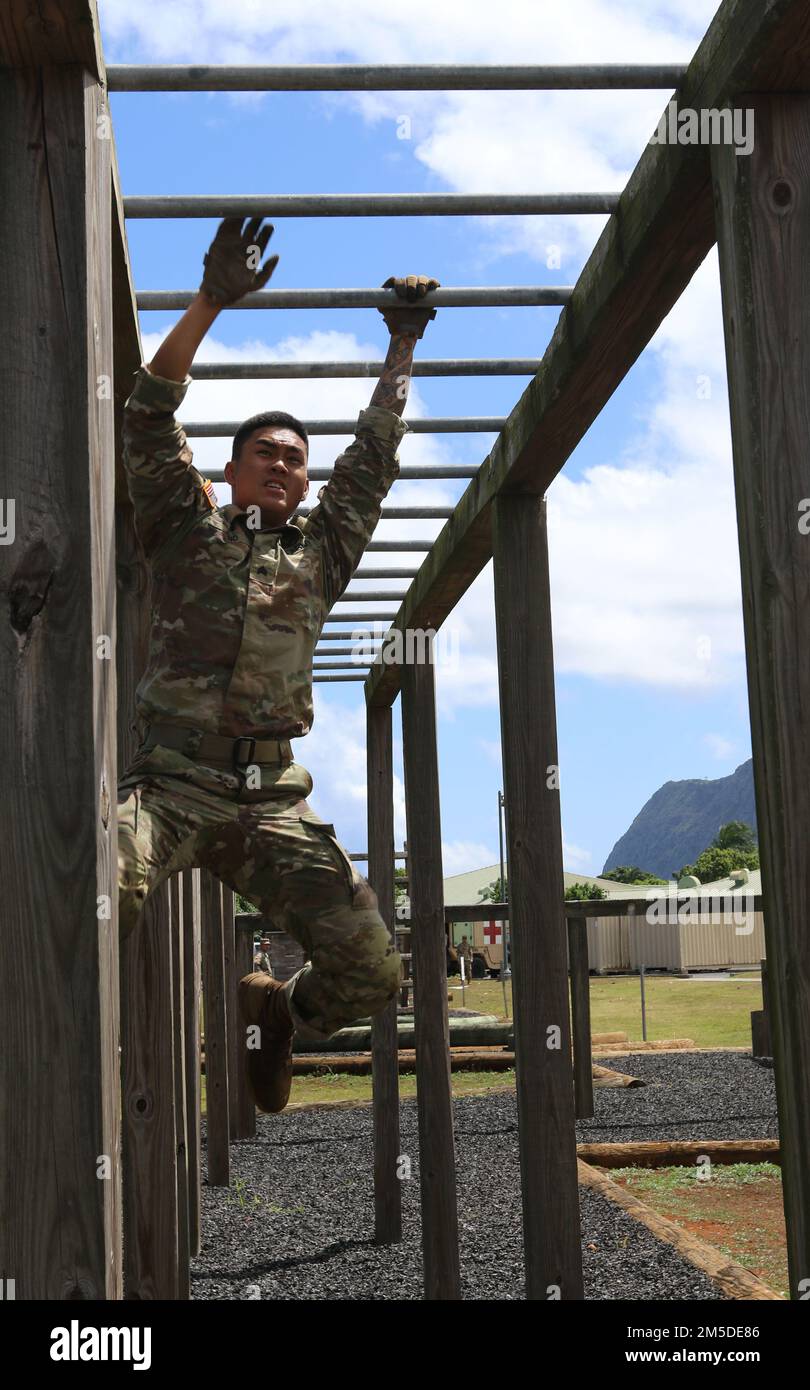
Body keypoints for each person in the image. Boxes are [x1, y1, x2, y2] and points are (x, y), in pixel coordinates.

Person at [117, 216, 439, 1114]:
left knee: (373, 976)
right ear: (229, 469)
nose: (284, 466)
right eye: (267, 453)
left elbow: (371, 459)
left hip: (272, 802)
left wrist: (402, 341)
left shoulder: (320, 555)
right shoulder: (184, 528)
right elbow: (147, 415)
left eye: (296, 460)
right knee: (89, 902)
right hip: (172, 784)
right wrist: (213, 299)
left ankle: (279, 1010)